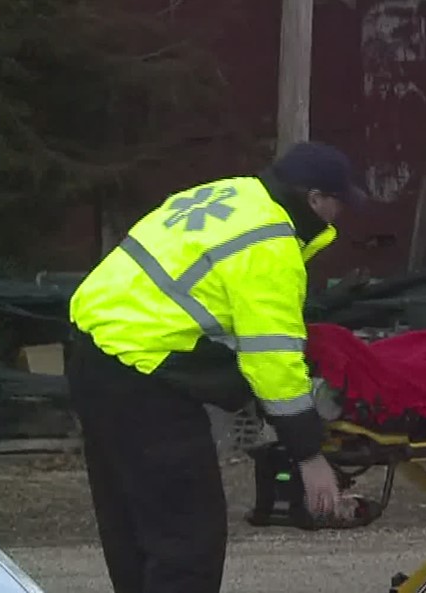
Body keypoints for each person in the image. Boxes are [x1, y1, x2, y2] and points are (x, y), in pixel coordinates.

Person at [66, 141, 366, 593]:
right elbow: (272, 362)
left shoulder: (231, 194)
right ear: (316, 200)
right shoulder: (270, 242)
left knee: (132, 530)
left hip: (93, 352)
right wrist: (309, 455)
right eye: (338, 203)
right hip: (145, 375)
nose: (338, 217)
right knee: (187, 541)